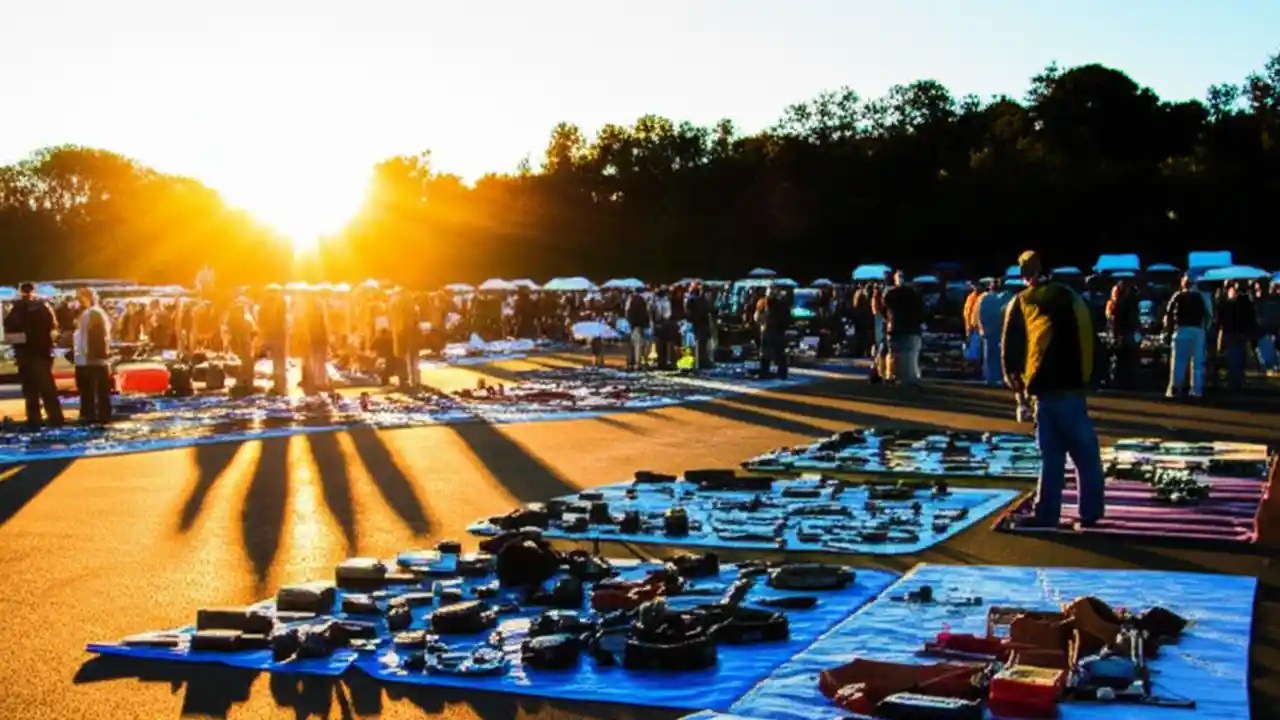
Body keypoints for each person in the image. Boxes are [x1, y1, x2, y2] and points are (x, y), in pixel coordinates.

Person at [1002, 251, 1105, 529]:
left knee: (1051, 455)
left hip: (1045, 389)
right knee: (1086, 454)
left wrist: (1015, 383)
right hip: (1074, 386)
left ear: (1026, 275)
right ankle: (1091, 510)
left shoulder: (1024, 301)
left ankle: (1047, 512)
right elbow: (1093, 339)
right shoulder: (1072, 297)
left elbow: (1011, 345)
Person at [2, 283, 66, 429]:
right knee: (47, 388)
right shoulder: (42, 307)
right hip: (41, 353)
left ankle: (34, 419)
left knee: (30, 391)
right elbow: (52, 326)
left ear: (20, 292)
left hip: (25, 355)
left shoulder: (16, 309)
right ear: (34, 291)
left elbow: (9, 331)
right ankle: (55, 418)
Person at [1164, 274, 1211, 399]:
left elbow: (1168, 314)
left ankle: (1175, 388)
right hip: (1197, 330)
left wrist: (1168, 330)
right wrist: (1205, 329)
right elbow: (1209, 315)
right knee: (1197, 363)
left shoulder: (1177, 296)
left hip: (1180, 330)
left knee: (1178, 361)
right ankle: (1196, 390)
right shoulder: (1201, 296)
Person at [72, 288, 113, 424]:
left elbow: (92, 337)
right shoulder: (93, 313)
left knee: (92, 390)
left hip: (90, 359)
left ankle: (94, 416)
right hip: (90, 358)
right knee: (93, 390)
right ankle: (95, 415)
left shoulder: (92, 313)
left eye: (80, 298)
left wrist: (89, 354)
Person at [882, 272, 925, 387]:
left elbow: (884, 308)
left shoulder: (891, 294)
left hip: (895, 327)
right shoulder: (915, 294)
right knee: (911, 355)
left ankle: (892, 375)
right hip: (911, 328)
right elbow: (921, 312)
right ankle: (910, 378)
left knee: (894, 353)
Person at [1217, 281, 1257, 392]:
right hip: (1242, 332)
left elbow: (1223, 317)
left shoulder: (1230, 303)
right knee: (1239, 356)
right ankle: (1237, 380)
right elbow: (1251, 318)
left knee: (1233, 357)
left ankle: (1234, 381)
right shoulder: (1247, 303)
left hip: (1232, 332)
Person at [759, 285, 792, 379]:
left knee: (770, 353)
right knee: (775, 353)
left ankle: (767, 372)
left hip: (773, 330)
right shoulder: (782, 304)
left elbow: (759, 316)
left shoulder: (767, 303)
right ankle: (779, 373)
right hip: (775, 330)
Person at [684, 281, 714, 371]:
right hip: (698, 325)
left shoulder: (695, 299)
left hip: (699, 325)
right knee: (698, 345)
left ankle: (700, 362)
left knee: (700, 345)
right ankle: (698, 363)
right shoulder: (697, 300)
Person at [624, 289, 650, 371]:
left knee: (634, 346)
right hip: (641, 326)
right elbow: (646, 314)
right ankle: (640, 363)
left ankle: (633, 363)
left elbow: (628, 313)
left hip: (634, 326)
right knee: (641, 346)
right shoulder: (642, 301)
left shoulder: (631, 300)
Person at [649, 288, 674, 370]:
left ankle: (660, 362)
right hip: (664, 324)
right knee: (663, 345)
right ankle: (663, 362)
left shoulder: (654, 302)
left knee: (659, 345)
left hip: (658, 324)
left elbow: (652, 314)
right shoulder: (666, 302)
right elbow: (668, 314)